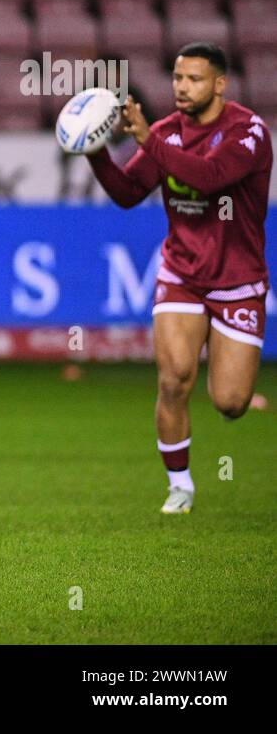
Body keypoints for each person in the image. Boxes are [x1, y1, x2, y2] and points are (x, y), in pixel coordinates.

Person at [85, 42, 271, 515]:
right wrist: (95, 151)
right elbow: (128, 193)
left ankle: (226, 378)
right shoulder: (167, 131)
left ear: (220, 84)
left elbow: (209, 177)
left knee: (230, 402)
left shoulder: (248, 132)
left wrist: (148, 140)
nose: (182, 87)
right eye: (177, 78)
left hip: (238, 280)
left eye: (194, 79)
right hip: (181, 274)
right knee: (173, 382)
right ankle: (180, 485)